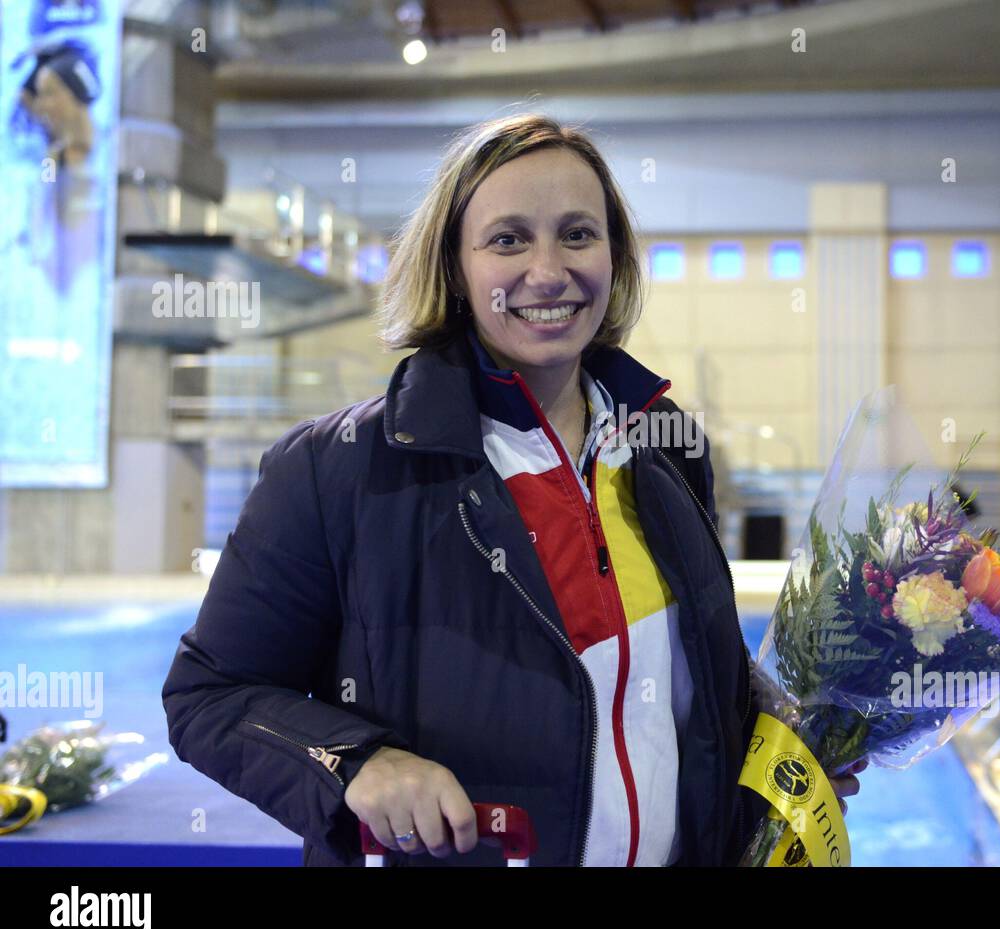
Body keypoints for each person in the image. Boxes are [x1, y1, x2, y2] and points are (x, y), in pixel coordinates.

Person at [162, 114, 865, 867]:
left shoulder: (667, 448)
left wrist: (771, 735)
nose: (548, 271)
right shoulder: (337, 469)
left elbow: (673, 685)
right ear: (453, 266)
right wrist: (354, 764)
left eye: (577, 234)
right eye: (507, 240)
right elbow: (210, 694)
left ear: (615, 256)